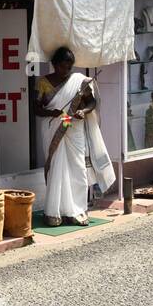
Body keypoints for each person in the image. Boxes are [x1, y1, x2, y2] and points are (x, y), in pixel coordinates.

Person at [35, 46, 116, 226]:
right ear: (54, 64)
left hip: (74, 127)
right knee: (57, 168)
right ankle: (54, 212)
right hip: (54, 126)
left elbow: (92, 102)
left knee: (78, 168)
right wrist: (52, 113)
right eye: (62, 67)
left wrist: (83, 111)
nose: (65, 71)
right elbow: (36, 108)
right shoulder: (43, 83)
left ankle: (77, 211)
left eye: (69, 67)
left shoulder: (79, 81)